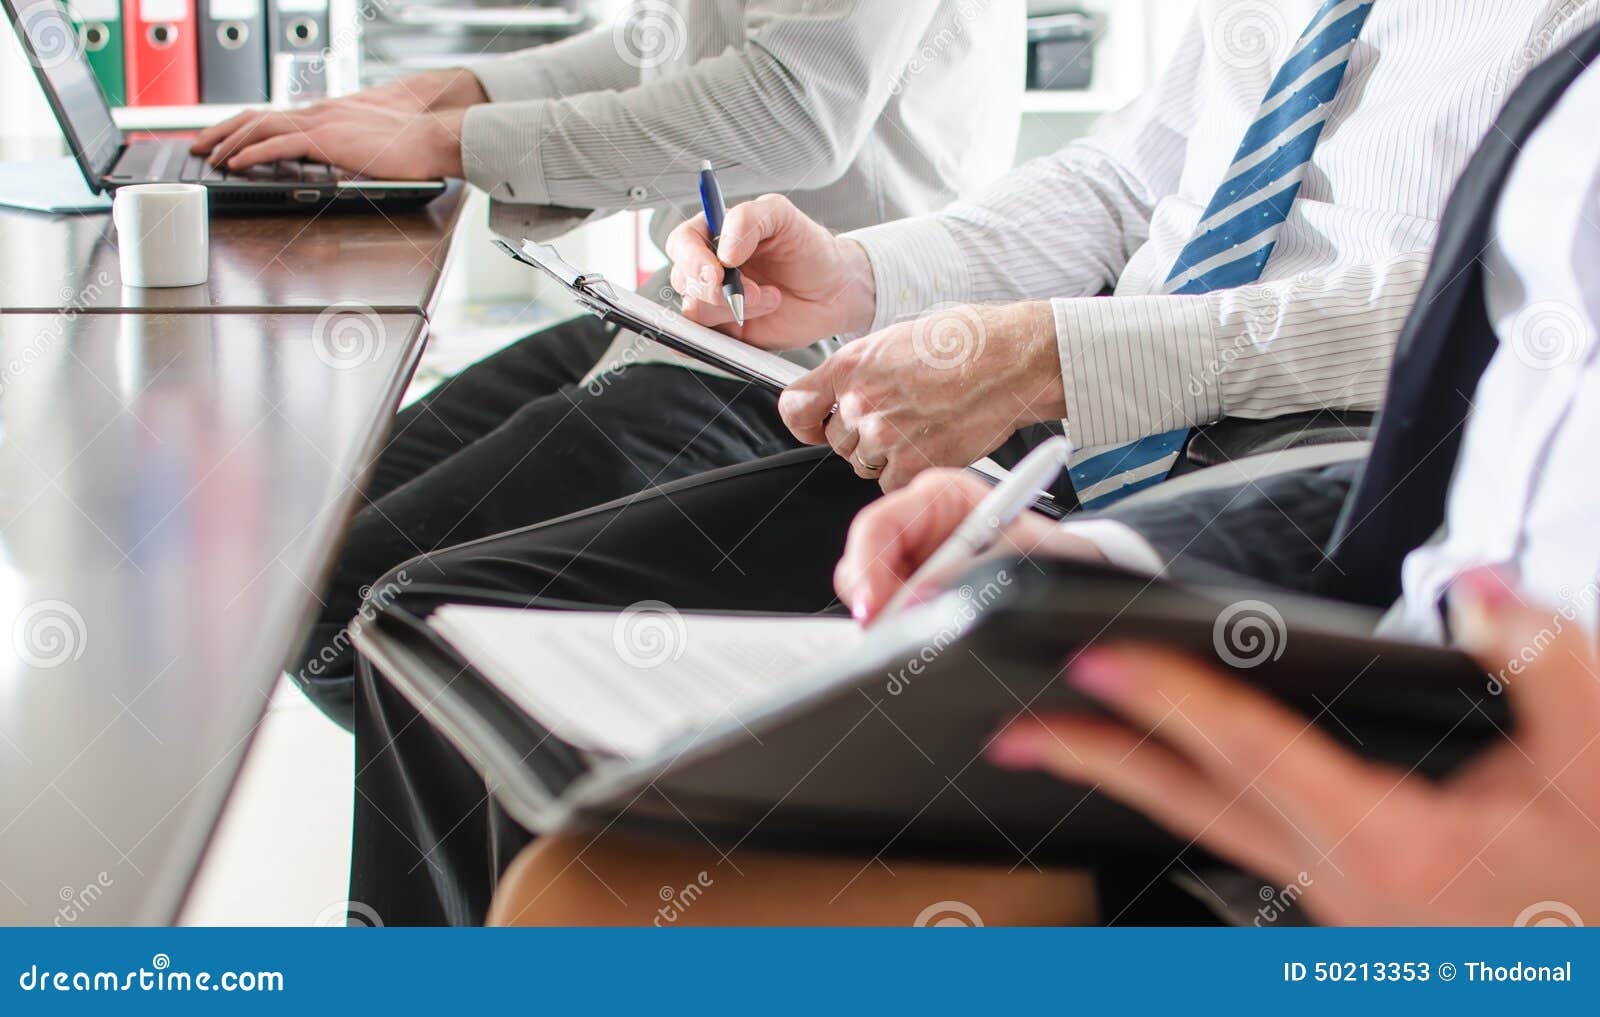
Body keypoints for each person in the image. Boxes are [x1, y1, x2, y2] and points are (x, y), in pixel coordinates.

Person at [350, 9, 1600, 926]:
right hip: (1070, 435)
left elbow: (1470, 312)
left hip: (1306, 454)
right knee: (432, 635)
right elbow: (1125, 181)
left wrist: (1065, 353)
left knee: (607, 882)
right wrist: (865, 276)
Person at [191, 1, 1026, 727]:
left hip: (805, 363)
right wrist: (450, 96)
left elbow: (794, 106)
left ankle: (594, 856)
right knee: (309, 542)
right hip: (681, 320)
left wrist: (451, 140)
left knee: (348, 603)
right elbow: (663, 40)